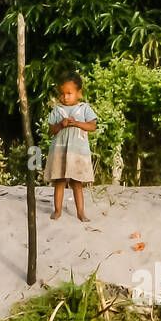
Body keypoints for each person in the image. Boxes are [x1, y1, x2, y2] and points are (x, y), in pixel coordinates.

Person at [44, 73, 98, 222]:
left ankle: (81, 212)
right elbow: (51, 130)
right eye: (62, 94)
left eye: (69, 93)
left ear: (79, 93)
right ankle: (57, 210)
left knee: (77, 183)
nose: (65, 97)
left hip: (77, 153)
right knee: (59, 181)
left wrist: (77, 123)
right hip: (60, 151)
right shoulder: (58, 110)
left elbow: (92, 126)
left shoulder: (84, 108)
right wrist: (61, 125)